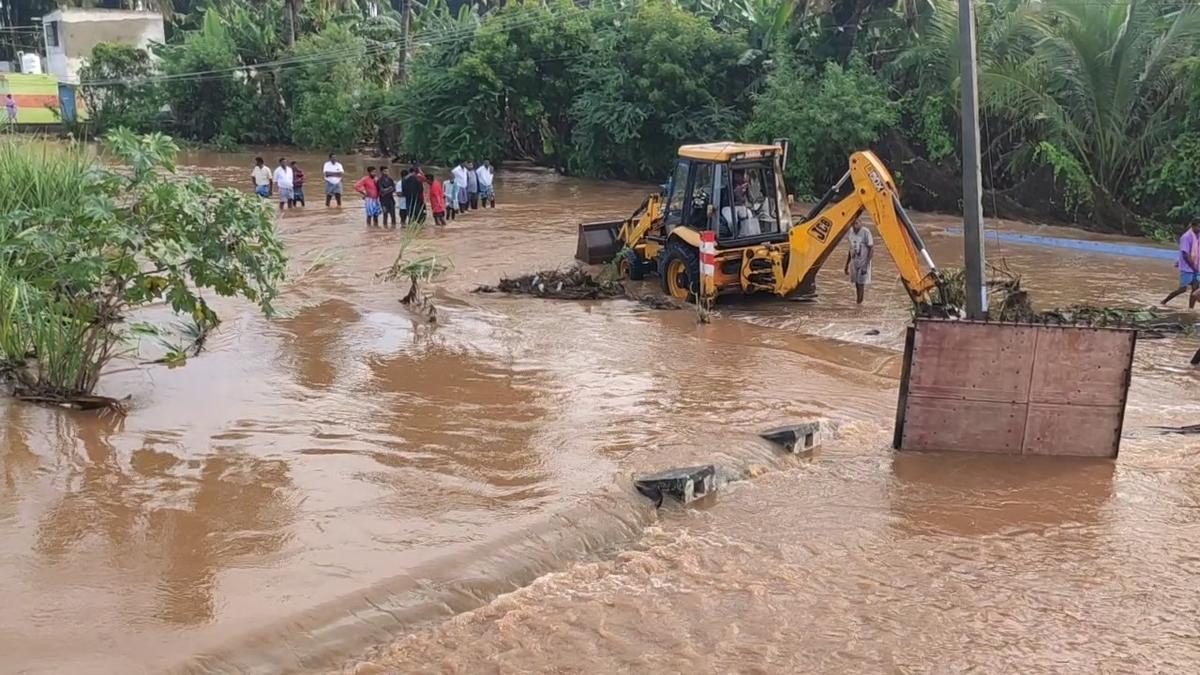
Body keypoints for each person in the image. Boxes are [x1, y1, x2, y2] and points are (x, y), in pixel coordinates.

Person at [1162, 221, 1200, 308]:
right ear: (1193, 226)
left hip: (1196, 266)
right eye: (1198, 227)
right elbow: (1185, 254)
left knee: (1195, 288)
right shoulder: (1186, 237)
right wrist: (1193, 267)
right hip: (1187, 267)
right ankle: (1164, 301)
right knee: (1182, 289)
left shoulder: (1198, 236)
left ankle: (1191, 308)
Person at [844, 220, 873, 305]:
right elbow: (850, 249)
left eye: (856, 223)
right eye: (853, 223)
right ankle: (858, 302)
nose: (854, 225)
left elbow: (871, 248)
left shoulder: (866, 232)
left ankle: (859, 303)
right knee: (856, 283)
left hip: (863, 262)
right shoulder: (851, 232)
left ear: (861, 223)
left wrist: (866, 265)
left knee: (861, 284)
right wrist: (846, 264)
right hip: (854, 261)